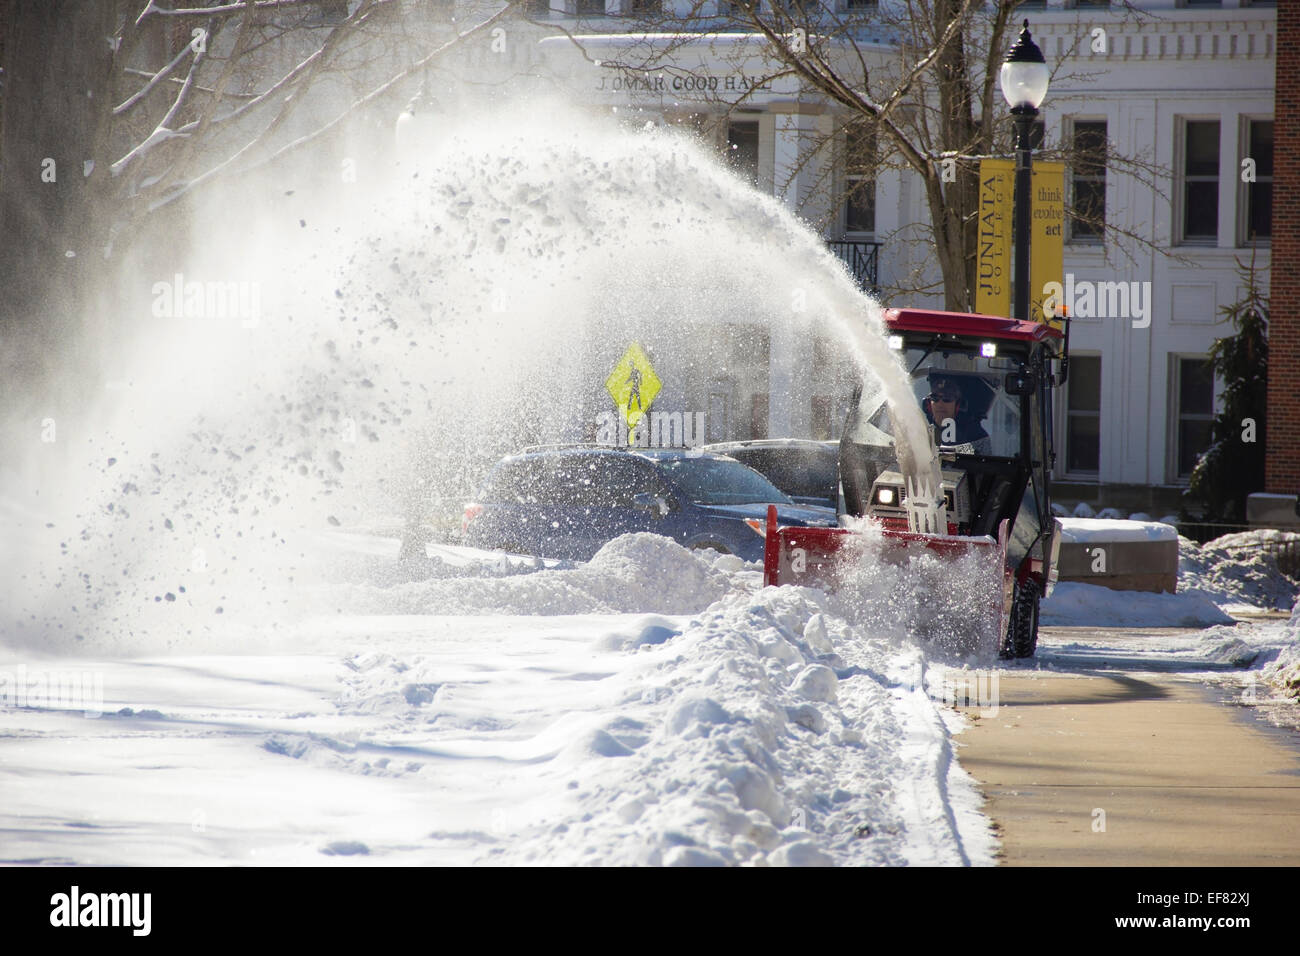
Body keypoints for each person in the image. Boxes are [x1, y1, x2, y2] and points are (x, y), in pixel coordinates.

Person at [922, 372, 992, 454]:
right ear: (928, 403)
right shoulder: (921, 428)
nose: (940, 404)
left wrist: (931, 452)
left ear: (959, 405)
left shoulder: (975, 434)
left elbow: (968, 455)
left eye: (947, 398)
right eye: (935, 398)